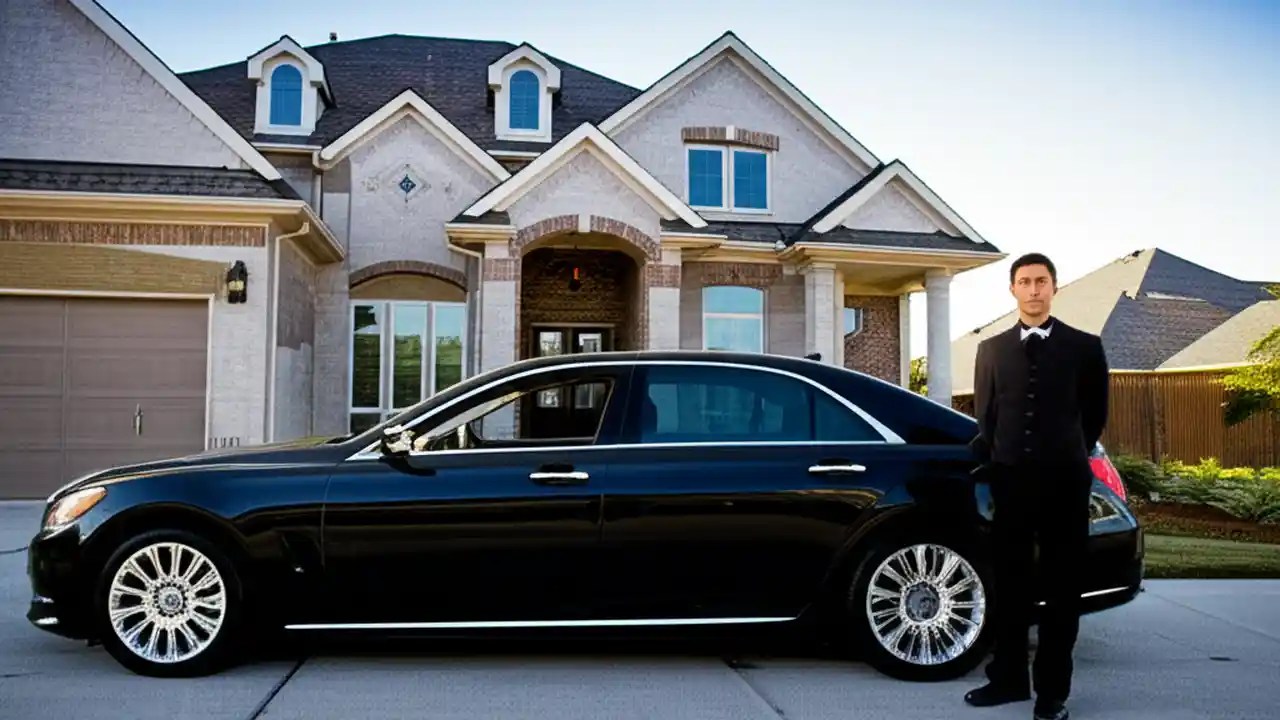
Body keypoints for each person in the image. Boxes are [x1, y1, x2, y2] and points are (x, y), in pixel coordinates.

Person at [964, 253, 1109, 720]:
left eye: (1041, 281)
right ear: (1013, 289)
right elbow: (986, 418)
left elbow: (1094, 418)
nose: (1033, 289)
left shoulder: (1085, 347)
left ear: (1054, 287)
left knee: (1063, 592)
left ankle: (1052, 694)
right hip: (1010, 485)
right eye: (1024, 281)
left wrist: (1064, 455)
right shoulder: (991, 350)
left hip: (1065, 485)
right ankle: (1007, 680)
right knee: (1010, 588)